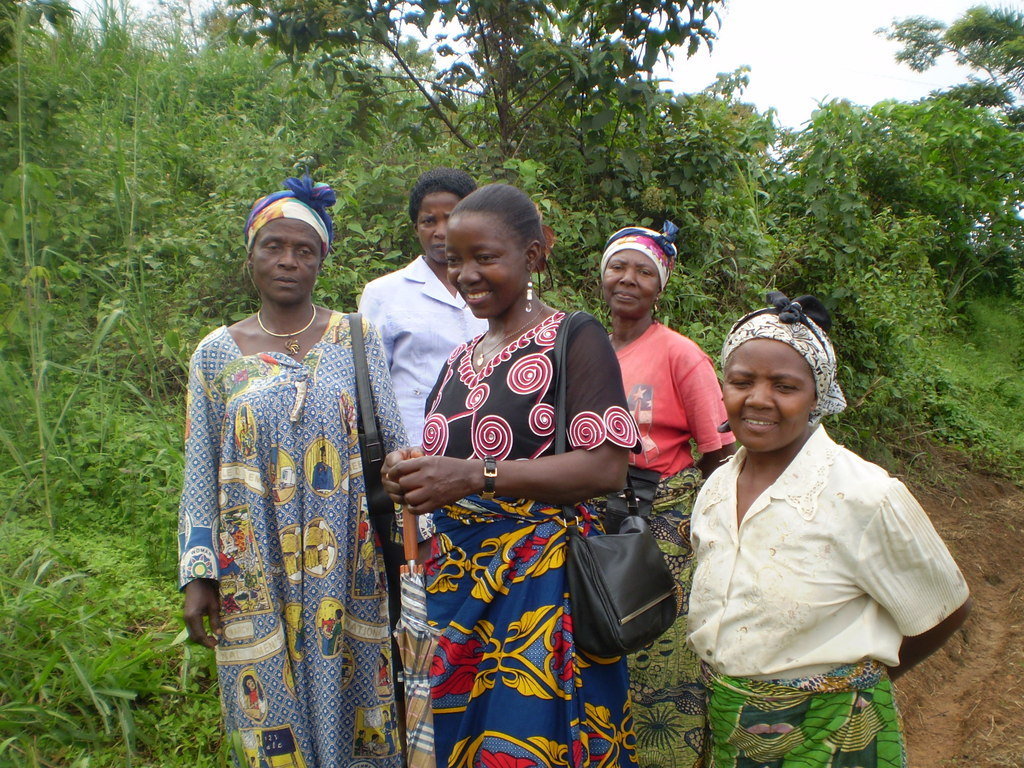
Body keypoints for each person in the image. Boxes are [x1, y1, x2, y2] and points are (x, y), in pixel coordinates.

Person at [382, 183, 642, 768]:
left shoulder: (573, 337)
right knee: (461, 746)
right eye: (454, 260)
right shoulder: (457, 360)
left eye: (484, 258)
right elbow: (447, 464)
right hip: (457, 594)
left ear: (532, 256)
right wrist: (409, 473)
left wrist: (477, 477)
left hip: (539, 594)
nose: (466, 275)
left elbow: (606, 467)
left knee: (531, 743)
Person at [178, 175, 407, 768]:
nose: (288, 261)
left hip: (349, 562)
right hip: (251, 561)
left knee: (357, 705)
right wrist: (197, 573)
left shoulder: (357, 337)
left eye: (304, 250)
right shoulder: (216, 355)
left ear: (323, 259)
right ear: (250, 255)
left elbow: (399, 454)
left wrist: (415, 551)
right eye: (273, 247)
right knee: (266, 709)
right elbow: (200, 472)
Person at [689, 292, 971, 768]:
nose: (758, 399)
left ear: (818, 394)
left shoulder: (864, 495)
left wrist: (847, 682)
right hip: (731, 720)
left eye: (784, 386)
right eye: (741, 381)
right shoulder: (716, 488)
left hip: (835, 729)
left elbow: (945, 610)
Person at [599, 222, 735, 768]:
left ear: (661, 286)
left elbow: (721, 455)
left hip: (662, 527)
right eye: (618, 267)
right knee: (600, 643)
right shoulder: (583, 348)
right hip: (594, 521)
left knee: (661, 650)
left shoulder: (681, 355)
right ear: (602, 276)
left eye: (643, 271)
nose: (628, 279)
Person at [358, 168, 487, 449]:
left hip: (486, 449)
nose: (440, 231)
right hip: (413, 449)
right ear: (416, 227)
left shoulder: (494, 289)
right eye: (429, 221)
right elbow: (370, 386)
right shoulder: (385, 294)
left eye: (451, 218)